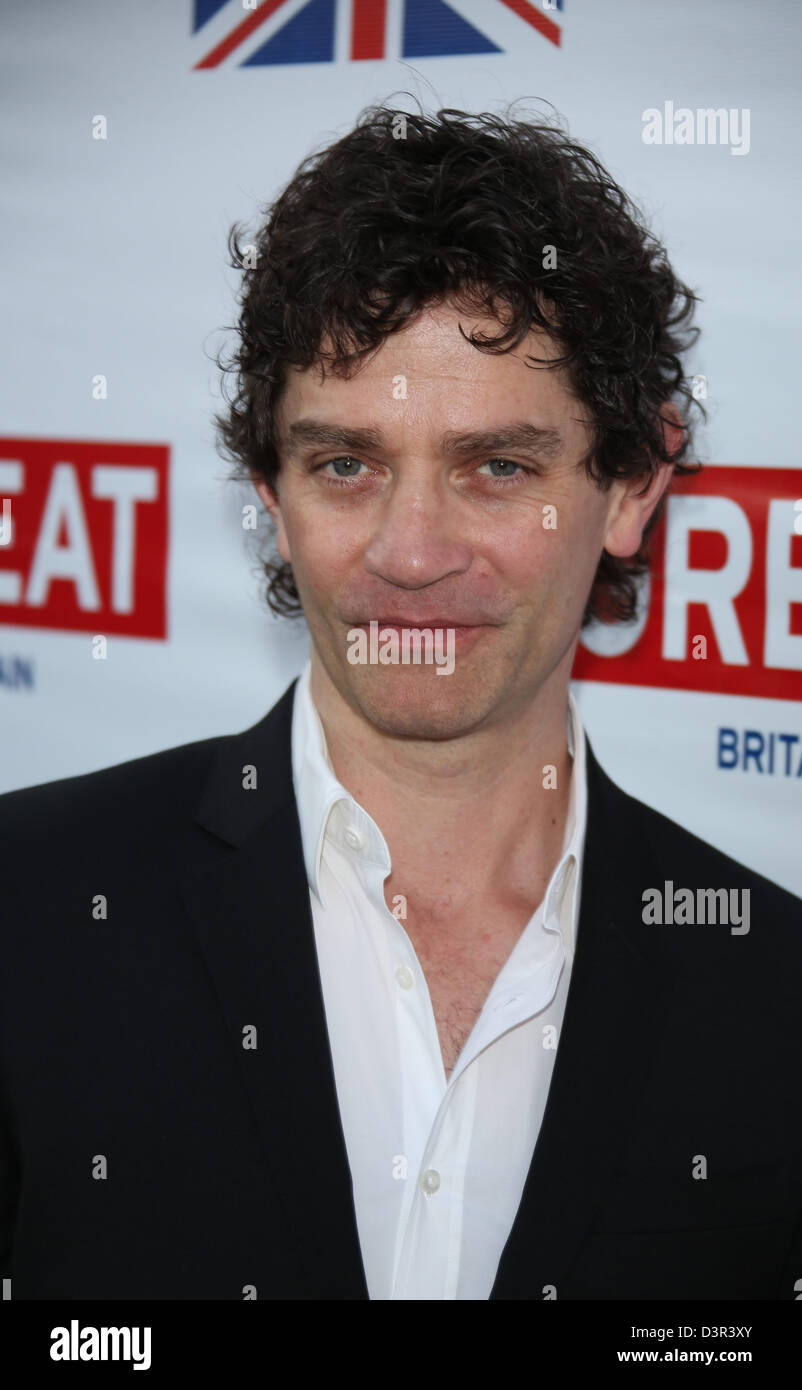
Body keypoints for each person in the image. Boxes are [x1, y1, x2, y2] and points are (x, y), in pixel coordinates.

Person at [1, 102, 800, 1301]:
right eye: (345, 464)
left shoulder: (772, 990)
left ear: (631, 484)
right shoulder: (31, 906)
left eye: (497, 468)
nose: (412, 551)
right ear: (269, 492)